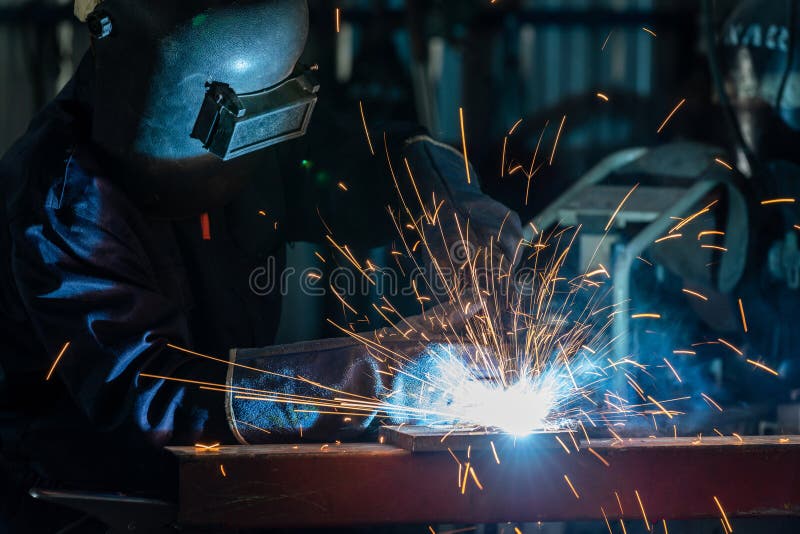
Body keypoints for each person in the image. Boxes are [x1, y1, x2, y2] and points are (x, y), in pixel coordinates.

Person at [0, 0, 522, 529]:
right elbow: (155, 397)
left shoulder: (257, 126)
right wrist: (380, 375)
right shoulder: (65, 206)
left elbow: (368, 163)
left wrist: (453, 212)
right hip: (89, 508)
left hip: (225, 489)